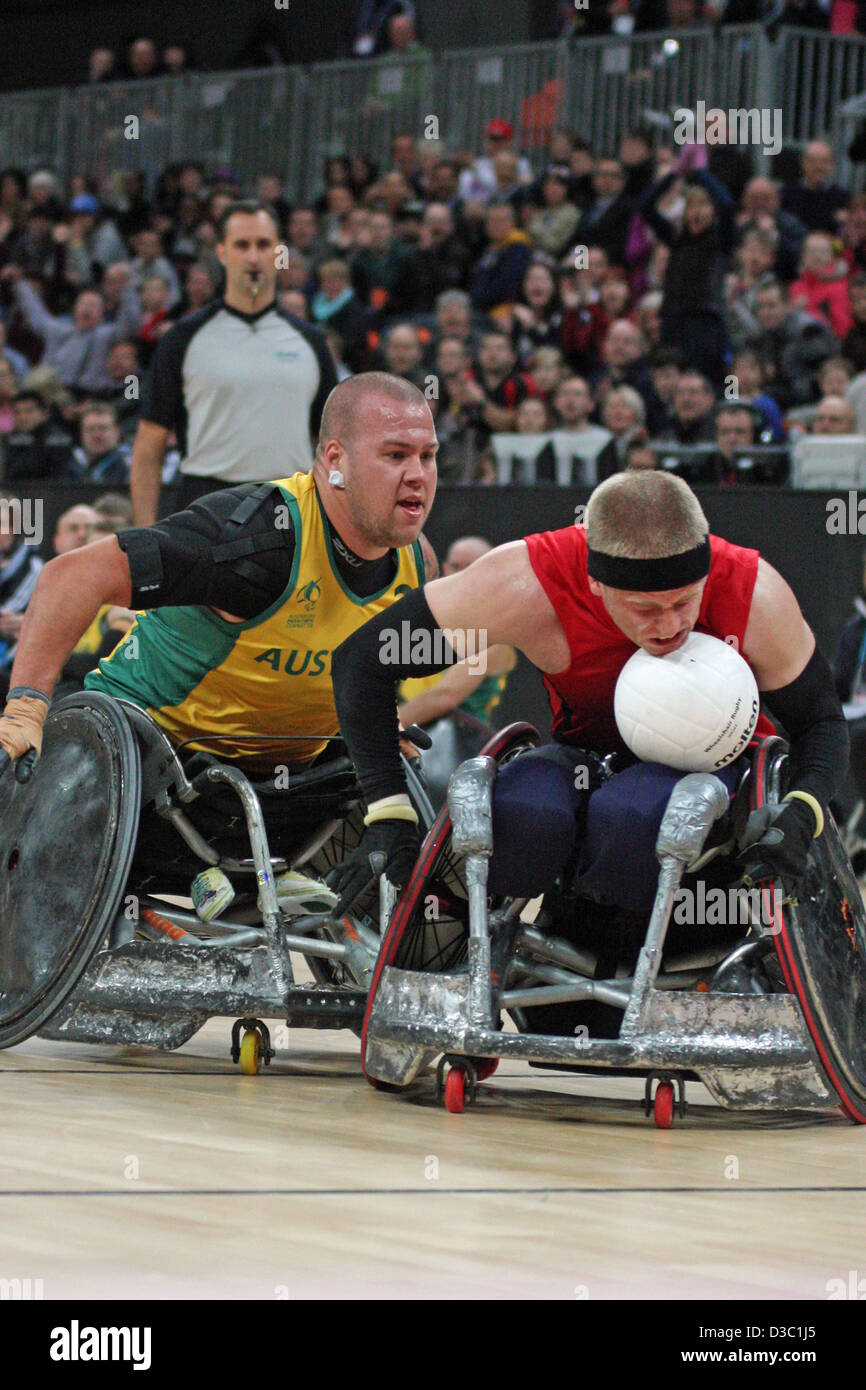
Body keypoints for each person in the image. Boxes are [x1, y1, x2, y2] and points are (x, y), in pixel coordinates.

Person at [329, 470, 848, 930]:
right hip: (589, 759)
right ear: (595, 584)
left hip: (718, 773)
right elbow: (362, 663)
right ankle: (510, 933)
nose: (669, 625)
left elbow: (821, 721)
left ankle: (613, 923)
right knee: (519, 811)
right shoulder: (527, 581)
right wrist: (388, 812)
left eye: (685, 601)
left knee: (632, 818)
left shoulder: (754, 592)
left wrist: (803, 811)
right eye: (644, 608)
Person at [0, 374, 437, 791]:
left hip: (282, 770)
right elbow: (72, 576)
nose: (418, 474)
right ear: (336, 460)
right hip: (151, 747)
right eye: (396, 455)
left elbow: (355, 665)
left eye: (428, 455)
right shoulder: (254, 537)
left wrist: (381, 718)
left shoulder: (419, 564)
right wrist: (26, 705)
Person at [130, 201, 337, 524]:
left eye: (263, 245)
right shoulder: (182, 338)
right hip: (204, 505)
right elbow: (148, 446)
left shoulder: (311, 342)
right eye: (242, 245)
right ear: (222, 253)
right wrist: (145, 534)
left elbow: (331, 445)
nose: (253, 256)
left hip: (290, 508)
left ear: (279, 253)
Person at [397, 536, 517, 806]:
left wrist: (376, 728)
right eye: (456, 566)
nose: (463, 574)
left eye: (473, 566)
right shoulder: (433, 621)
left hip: (460, 763)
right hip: (415, 748)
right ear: (444, 567)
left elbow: (446, 696)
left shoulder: (496, 632)